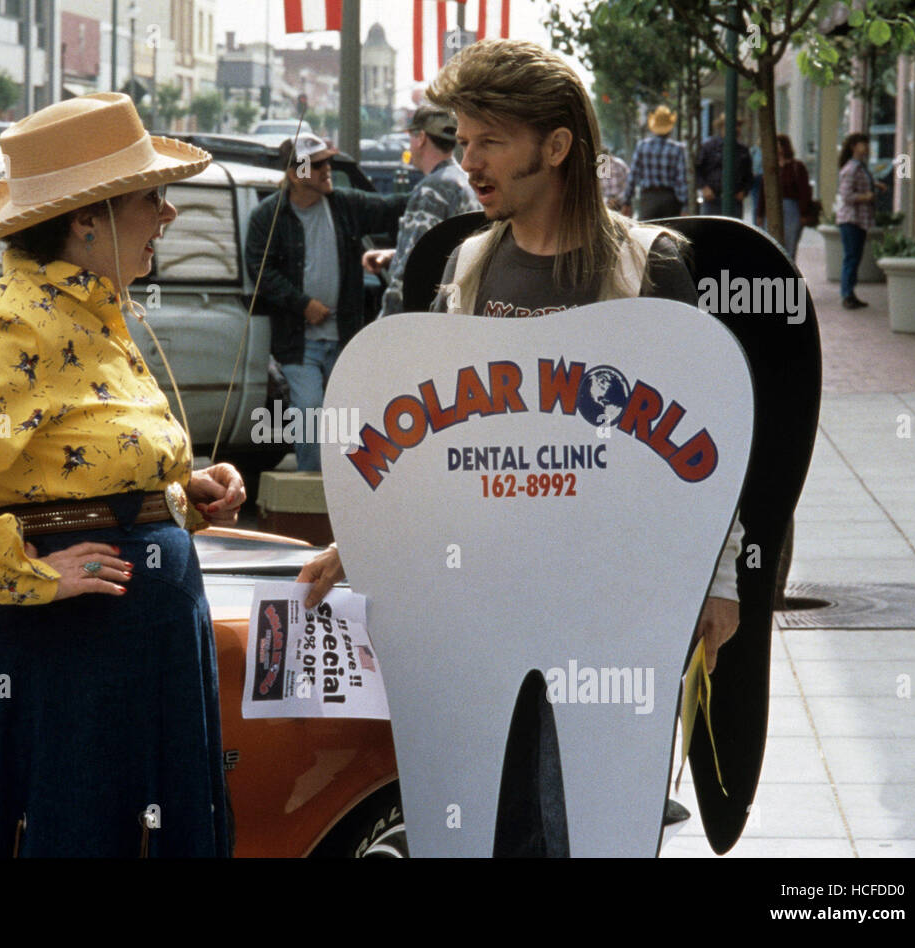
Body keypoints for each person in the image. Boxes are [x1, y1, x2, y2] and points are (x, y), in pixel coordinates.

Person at [297, 40, 742, 680]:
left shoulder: (647, 266)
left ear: (556, 147)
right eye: (463, 140)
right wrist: (362, 542)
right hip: (486, 596)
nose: (468, 161)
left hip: (615, 605)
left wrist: (721, 578)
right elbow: (436, 432)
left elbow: (706, 436)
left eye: (490, 143)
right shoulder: (468, 266)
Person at [0, 93, 246, 857]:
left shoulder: (90, 312)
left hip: (120, 640)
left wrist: (183, 499)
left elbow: (82, 469)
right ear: (88, 220)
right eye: (151, 198)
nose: (169, 214)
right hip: (75, 648)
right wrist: (26, 569)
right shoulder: (21, 317)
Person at [245, 132, 408, 471]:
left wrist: (439, 183)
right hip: (299, 343)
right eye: (317, 165)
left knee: (346, 420)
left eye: (328, 162)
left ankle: (344, 494)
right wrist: (303, 304)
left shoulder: (345, 205)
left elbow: (392, 208)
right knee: (309, 414)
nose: (327, 170)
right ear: (295, 174)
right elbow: (260, 270)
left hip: (343, 337)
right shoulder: (268, 216)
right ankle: (311, 494)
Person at [363, 105, 481, 316]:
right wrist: (392, 255)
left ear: (421, 138)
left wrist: (387, 324)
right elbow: (439, 252)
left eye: (410, 137)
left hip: (422, 322)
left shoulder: (433, 189)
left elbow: (412, 270)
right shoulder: (464, 181)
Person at [836, 132, 885, 309]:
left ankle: (850, 292)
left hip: (860, 220)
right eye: (863, 144)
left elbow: (862, 183)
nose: (867, 147)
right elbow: (846, 195)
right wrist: (866, 196)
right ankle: (846, 293)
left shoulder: (860, 167)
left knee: (854, 257)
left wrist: (876, 185)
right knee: (851, 257)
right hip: (851, 220)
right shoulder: (852, 168)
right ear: (854, 147)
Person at [624, 106, 689, 219]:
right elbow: (681, 180)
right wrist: (685, 205)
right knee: (670, 233)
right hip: (670, 198)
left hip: (648, 197)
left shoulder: (642, 146)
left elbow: (633, 176)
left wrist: (627, 201)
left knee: (647, 232)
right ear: (670, 127)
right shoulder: (678, 148)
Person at [756, 133, 813, 257]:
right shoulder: (770, 167)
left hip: (791, 209)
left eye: (777, 144)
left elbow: (804, 191)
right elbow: (763, 191)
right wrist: (760, 213)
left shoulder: (797, 167)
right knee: (771, 244)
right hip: (771, 207)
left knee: (789, 246)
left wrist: (804, 213)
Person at [696, 113, 754, 217]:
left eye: (739, 125)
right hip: (712, 200)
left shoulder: (743, 150)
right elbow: (697, 170)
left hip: (734, 202)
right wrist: (704, 188)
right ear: (722, 127)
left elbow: (749, 176)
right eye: (733, 125)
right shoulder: (708, 147)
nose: (736, 129)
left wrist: (744, 191)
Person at [598, 147, 630, 214]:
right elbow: (600, 190)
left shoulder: (619, 164)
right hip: (606, 205)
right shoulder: (599, 168)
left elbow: (629, 184)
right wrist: (607, 201)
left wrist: (618, 199)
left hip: (622, 203)